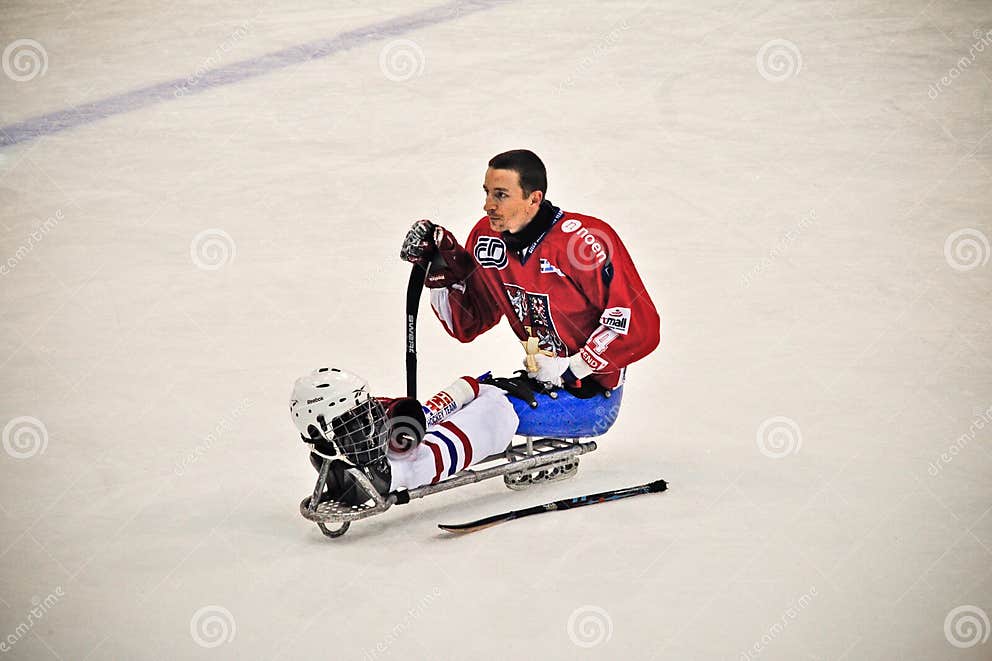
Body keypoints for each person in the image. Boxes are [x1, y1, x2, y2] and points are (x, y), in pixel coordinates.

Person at [400, 149, 660, 404]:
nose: (488, 205)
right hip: (540, 383)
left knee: (485, 412)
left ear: (534, 199)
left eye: (500, 195)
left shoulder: (582, 242)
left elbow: (640, 326)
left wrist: (572, 368)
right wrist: (442, 265)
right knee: (461, 400)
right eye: (488, 192)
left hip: (590, 389)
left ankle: (419, 447)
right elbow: (469, 324)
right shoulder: (486, 238)